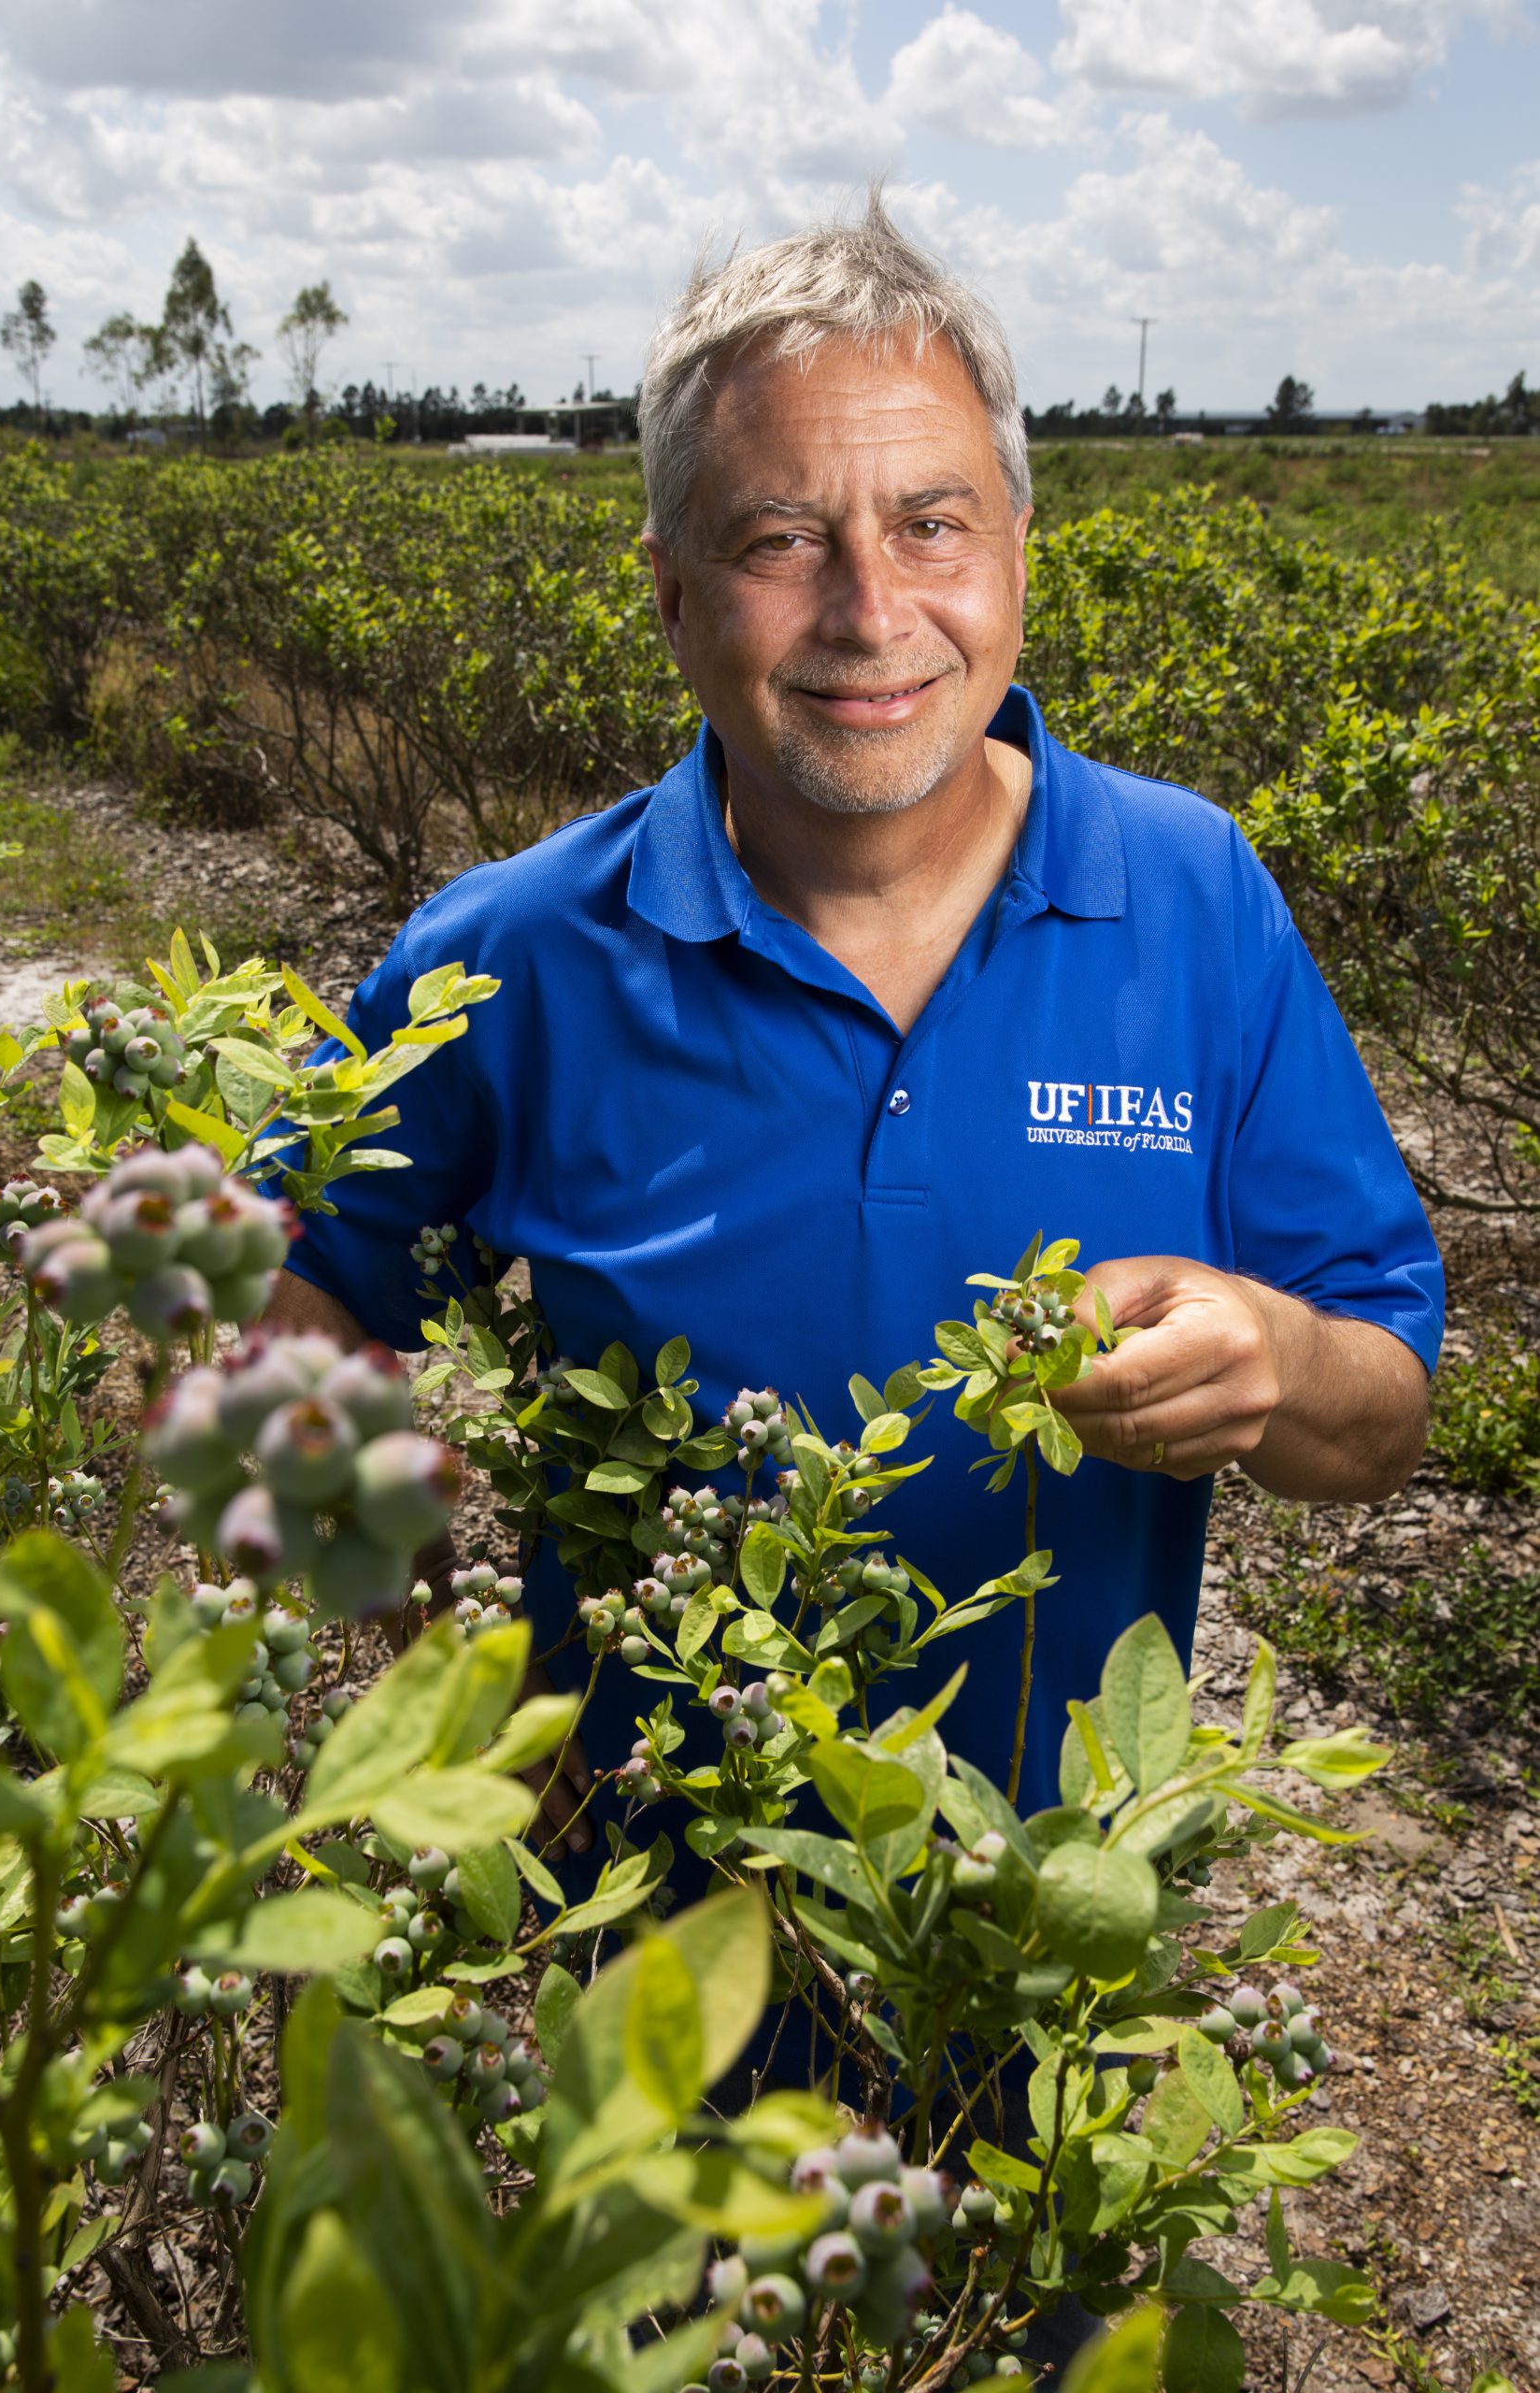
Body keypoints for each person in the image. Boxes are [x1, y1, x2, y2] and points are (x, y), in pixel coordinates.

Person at [267, 197, 1442, 1860]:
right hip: (646, 1945)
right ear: (673, 596)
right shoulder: (513, 955)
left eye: (932, 524)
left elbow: (1382, 1402)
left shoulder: (1196, 896)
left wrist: (1278, 1361)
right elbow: (289, 1293)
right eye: (778, 541)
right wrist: (461, 1692)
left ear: (1019, 552)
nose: (870, 610)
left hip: (1046, 1962)